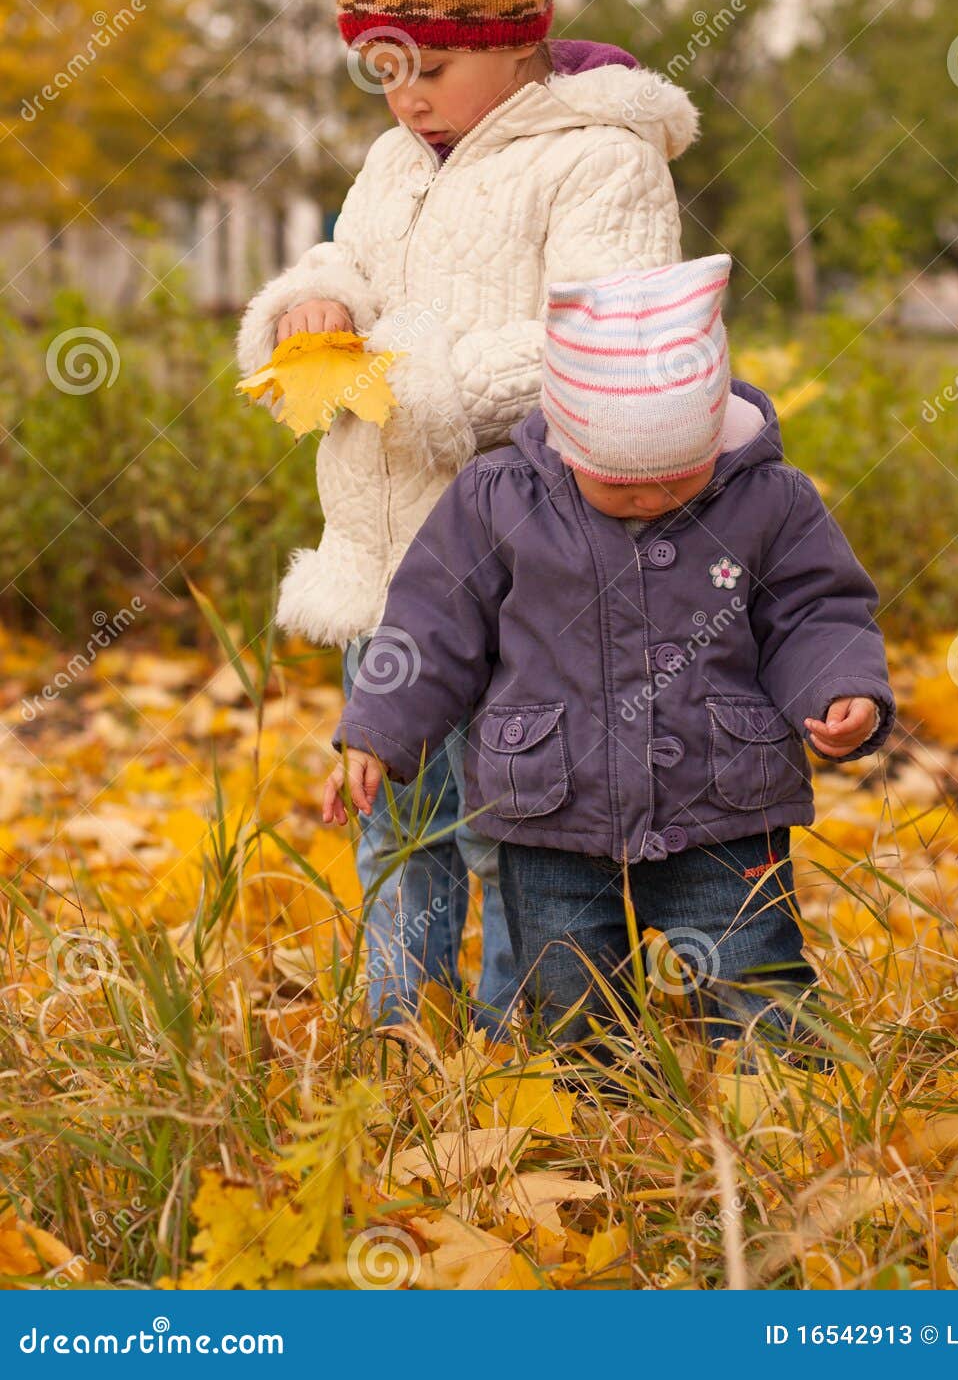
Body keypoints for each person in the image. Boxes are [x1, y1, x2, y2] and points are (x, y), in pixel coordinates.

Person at [236, 0, 714, 1033]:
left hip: (525, 584)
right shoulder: (399, 157)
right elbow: (353, 253)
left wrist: (409, 378)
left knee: (517, 829)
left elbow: (602, 347)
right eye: (383, 70)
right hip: (386, 563)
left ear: (516, 37)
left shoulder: (597, 161)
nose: (404, 96)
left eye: (429, 66)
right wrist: (320, 301)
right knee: (398, 821)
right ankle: (403, 1031)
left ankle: (534, 1057)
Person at [323, 254, 896, 1069]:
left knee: (752, 961)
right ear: (564, 440)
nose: (647, 499)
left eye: (674, 481)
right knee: (568, 986)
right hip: (550, 805)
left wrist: (843, 688)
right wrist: (377, 728)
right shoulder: (498, 498)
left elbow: (815, 611)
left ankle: (782, 1096)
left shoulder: (770, 500)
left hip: (721, 799)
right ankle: (598, 1115)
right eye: (617, 485)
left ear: (713, 432)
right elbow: (430, 622)